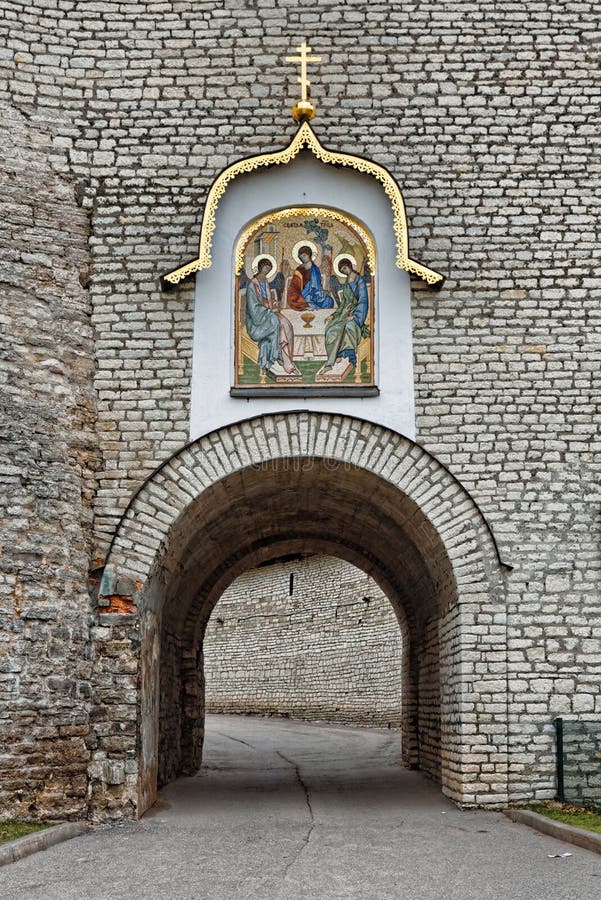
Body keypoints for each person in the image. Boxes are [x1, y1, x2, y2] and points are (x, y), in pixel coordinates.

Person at [245, 258, 300, 376]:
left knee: (286, 324)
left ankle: (287, 358)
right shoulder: (252, 285)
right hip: (256, 321)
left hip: (267, 314)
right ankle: (282, 359)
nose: (267, 271)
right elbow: (253, 308)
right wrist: (269, 310)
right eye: (265, 268)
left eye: (269, 269)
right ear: (260, 267)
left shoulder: (265, 282)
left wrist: (272, 306)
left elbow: (268, 301)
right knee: (277, 323)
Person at [323, 258, 369, 371]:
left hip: (356, 312)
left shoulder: (359, 281)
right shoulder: (347, 282)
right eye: (342, 270)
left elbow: (363, 300)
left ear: (349, 266)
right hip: (344, 312)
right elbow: (344, 302)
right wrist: (334, 315)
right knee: (330, 328)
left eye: (344, 268)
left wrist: (355, 316)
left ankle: (344, 354)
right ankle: (334, 355)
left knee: (349, 327)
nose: (344, 271)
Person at [286, 245, 334, 311]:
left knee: (329, 301)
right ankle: (309, 306)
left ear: (309, 255)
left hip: (316, 295)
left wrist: (323, 292)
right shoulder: (299, 270)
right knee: (311, 304)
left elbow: (319, 285)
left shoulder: (315, 268)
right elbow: (294, 286)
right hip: (305, 295)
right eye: (301, 257)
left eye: (304, 255)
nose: (303, 258)